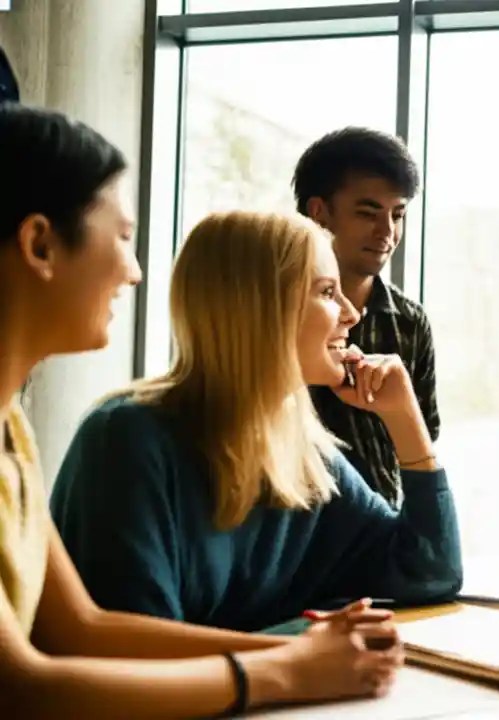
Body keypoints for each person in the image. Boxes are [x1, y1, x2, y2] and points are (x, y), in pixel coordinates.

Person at [1, 104, 402, 716]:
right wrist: (283, 672)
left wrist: (306, 656)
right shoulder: (126, 434)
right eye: (124, 238)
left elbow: (80, 627)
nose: (134, 273)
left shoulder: (11, 429)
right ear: (40, 244)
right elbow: (20, 686)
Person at [50, 209, 463, 632]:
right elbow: (134, 650)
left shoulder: (305, 452)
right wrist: (303, 647)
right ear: (260, 307)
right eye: (326, 292)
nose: (351, 314)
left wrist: (404, 421)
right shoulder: (125, 440)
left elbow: (430, 573)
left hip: (270, 695)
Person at [296, 127, 439, 509]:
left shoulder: (409, 323)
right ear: (318, 212)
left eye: (398, 214)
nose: (387, 232)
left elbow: (421, 443)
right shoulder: (274, 315)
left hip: (384, 535)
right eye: (368, 212)